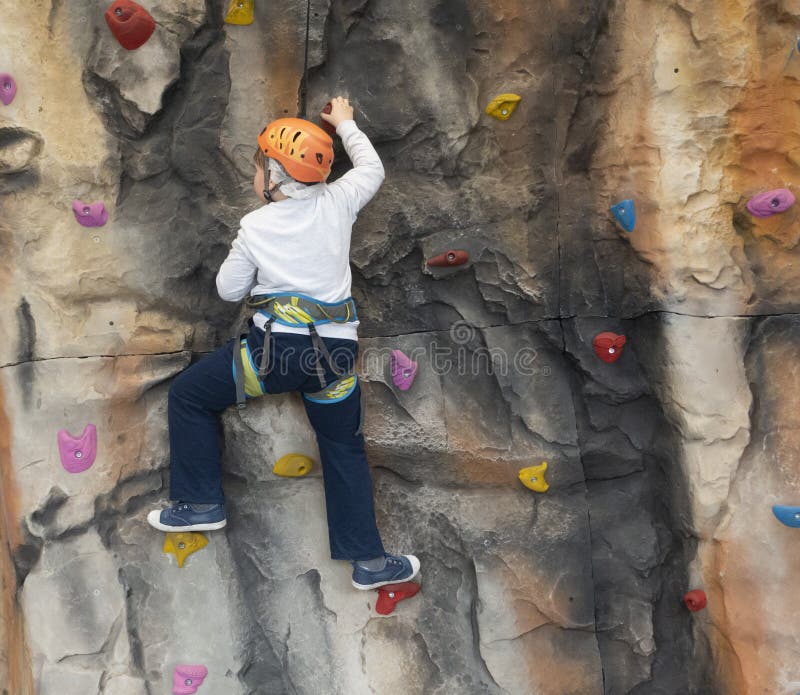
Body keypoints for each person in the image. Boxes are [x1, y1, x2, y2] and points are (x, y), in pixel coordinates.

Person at [147, 97, 420, 590]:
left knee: (189, 396)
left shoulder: (255, 226)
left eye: (258, 168)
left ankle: (202, 503)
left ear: (272, 175)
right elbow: (372, 169)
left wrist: (256, 267)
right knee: (343, 448)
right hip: (333, 360)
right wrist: (346, 124)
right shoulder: (339, 202)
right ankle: (370, 563)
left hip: (273, 357)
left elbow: (228, 291)